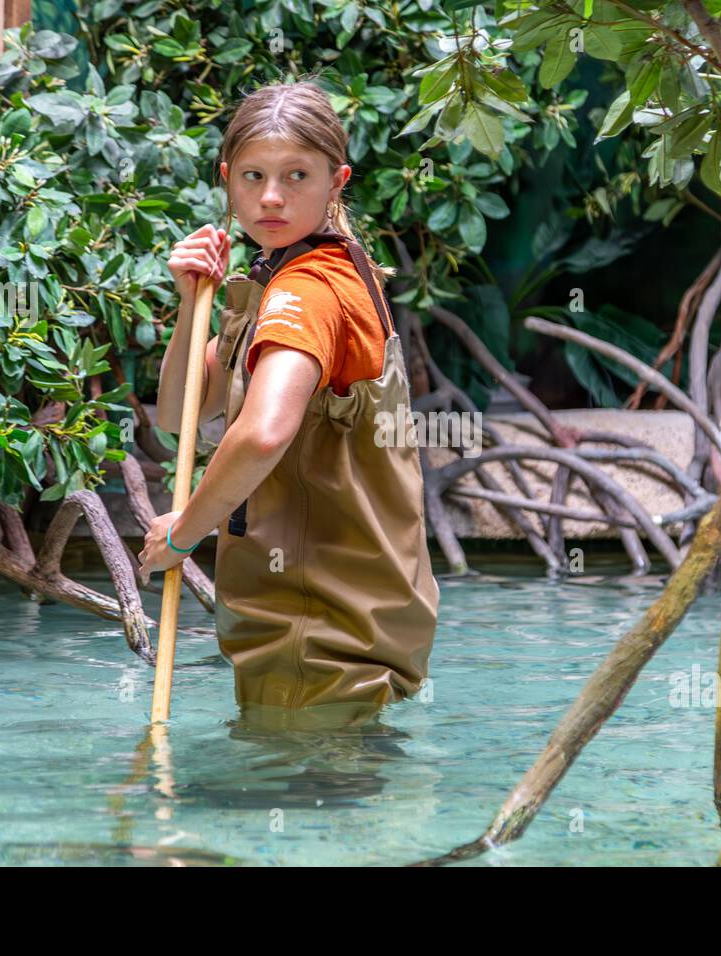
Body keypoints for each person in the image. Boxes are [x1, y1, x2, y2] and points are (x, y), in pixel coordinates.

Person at [137, 79, 439, 715]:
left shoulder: (309, 292)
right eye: (252, 176)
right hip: (336, 634)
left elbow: (265, 431)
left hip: (318, 641)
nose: (270, 197)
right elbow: (179, 414)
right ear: (227, 179)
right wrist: (195, 301)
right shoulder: (277, 279)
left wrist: (184, 534)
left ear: (336, 181)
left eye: (296, 175)